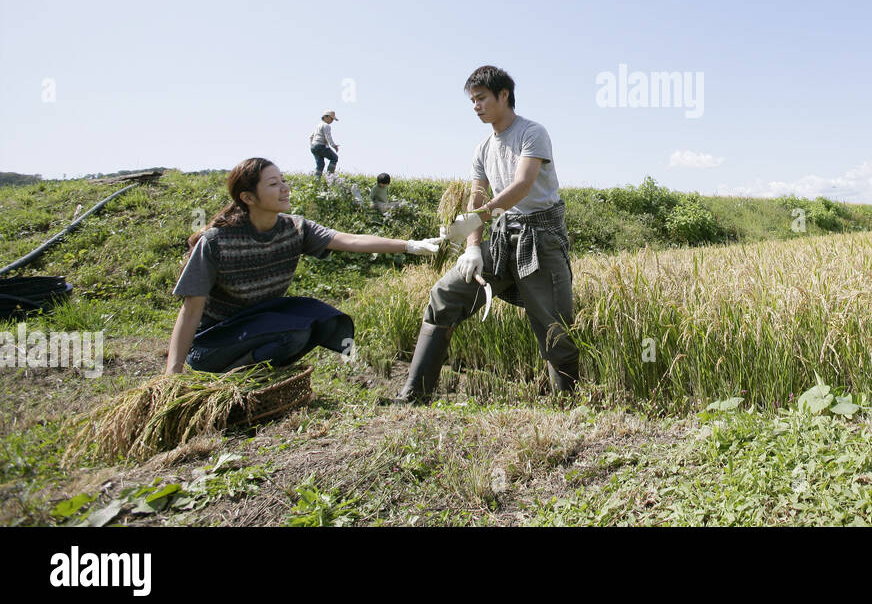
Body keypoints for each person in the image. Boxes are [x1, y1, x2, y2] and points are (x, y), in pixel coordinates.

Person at [397, 66, 578, 402]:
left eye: (481, 98)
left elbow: (522, 185)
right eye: (472, 101)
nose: (476, 106)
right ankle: (414, 393)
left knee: (553, 324)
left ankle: (568, 403)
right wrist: (472, 246)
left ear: (503, 95)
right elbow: (477, 198)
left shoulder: (531, 133)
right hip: (502, 235)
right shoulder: (482, 149)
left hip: (540, 237)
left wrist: (477, 217)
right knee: (445, 295)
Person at [166, 157, 440, 374]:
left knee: (323, 319)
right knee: (293, 331)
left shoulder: (295, 228)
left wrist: (409, 245)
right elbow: (190, 312)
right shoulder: (216, 242)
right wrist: (172, 373)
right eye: (273, 184)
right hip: (215, 342)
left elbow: (350, 239)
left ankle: (255, 371)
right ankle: (231, 375)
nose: (285, 187)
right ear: (248, 198)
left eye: (283, 180)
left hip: (261, 323)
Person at [309, 111, 341, 178]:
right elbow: (328, 137)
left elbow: (310, 137)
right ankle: (330, 177)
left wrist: (311, 146)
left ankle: (317, 180)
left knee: (320, 165)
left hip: (314, 147)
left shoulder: (318, 126)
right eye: (331, 118)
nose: (332, 121)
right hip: (321, 146)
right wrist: (333, 145)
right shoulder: (326, 126)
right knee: (334, 158)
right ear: (326, 117)